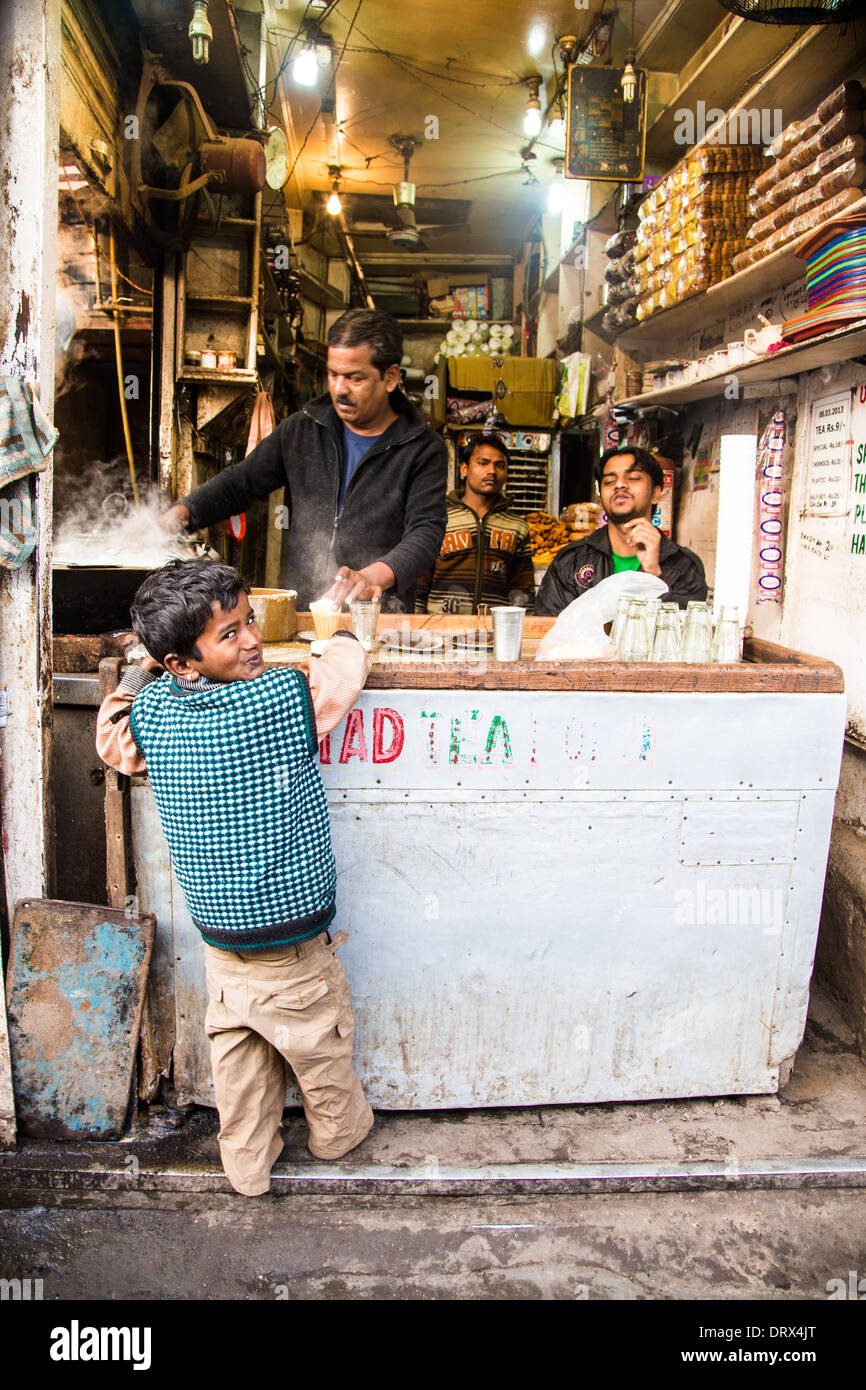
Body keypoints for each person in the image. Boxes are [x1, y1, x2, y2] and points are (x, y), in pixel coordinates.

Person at [95, 557, 373, 1196]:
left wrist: (141, 669)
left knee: (239, 1052)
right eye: (231, 633)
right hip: (292, 932)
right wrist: (344, 636)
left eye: (249, 622)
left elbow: (111, 736)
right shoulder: (282, 695)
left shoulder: (156, 713)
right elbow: (341, 674)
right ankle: (339, 1133)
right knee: (318, 1041)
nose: (251, 640)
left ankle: (246, 1167)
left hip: (219, 935)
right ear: (183, 662)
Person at [161, 309, 448, 612]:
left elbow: (426, 532)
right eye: (334, 374)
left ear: (390, 378)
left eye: (355, 378)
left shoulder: (423, 448)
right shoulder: (303, 429)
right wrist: (180, 514)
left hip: (377, 618)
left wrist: (370, 577)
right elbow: (240, 483)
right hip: (304, 613)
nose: (340, 389)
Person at [536, 446, 708, 614]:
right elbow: (548, 631)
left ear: (656, 493)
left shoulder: (685, 567)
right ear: (601, 497)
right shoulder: (571, 562)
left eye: (633, 478)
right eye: (609, 481)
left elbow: (685, 634)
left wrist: (652, 575)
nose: (619, 484)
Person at [415, 433, 535, 614]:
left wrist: (522, 630)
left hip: (494, 631)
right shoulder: (438, 518)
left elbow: (522, 589)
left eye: (499, 465)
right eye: (483, 463)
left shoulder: (516, 526)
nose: (492, 471)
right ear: (464, 469)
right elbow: (419, 582)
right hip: (440, 629)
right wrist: (417, 628)